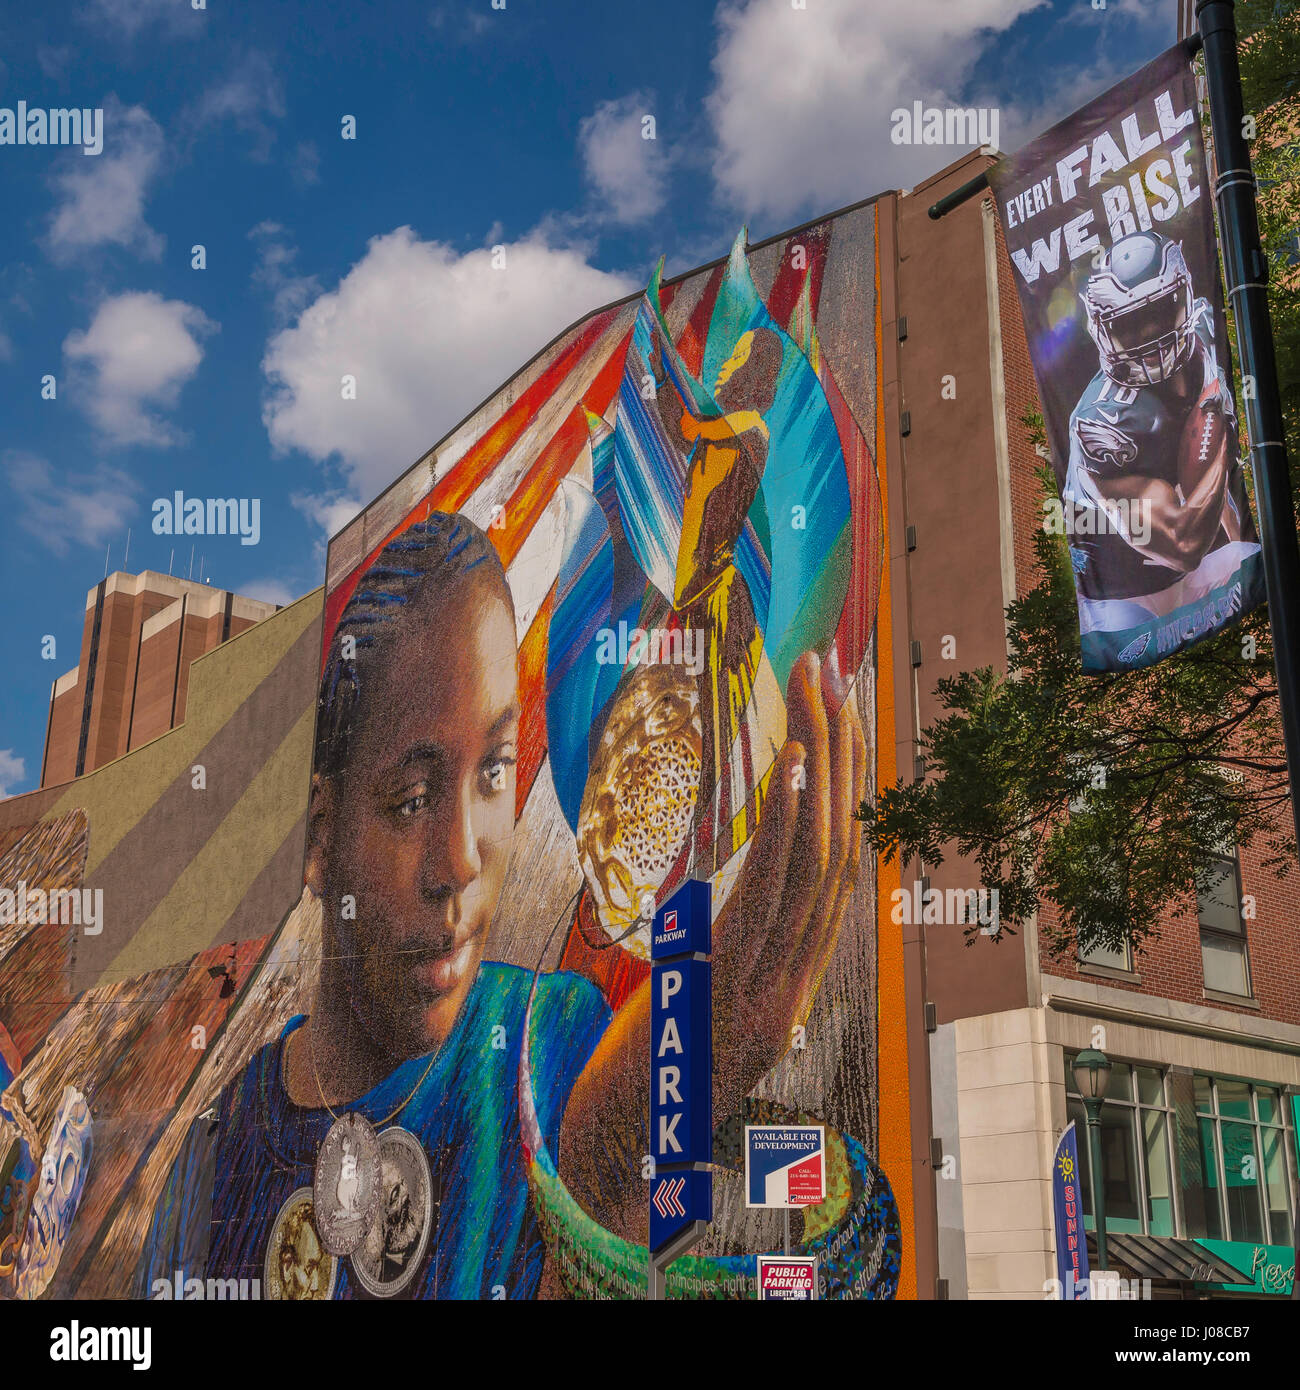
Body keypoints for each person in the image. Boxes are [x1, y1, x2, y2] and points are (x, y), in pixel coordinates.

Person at [141, 510, 862, 1298]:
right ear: (322, 836)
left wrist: (633, 1158)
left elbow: (755, 1199)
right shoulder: (211, 1170)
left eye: (494, 770)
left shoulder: (560, 1046)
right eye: (411, 798)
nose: (459, 859)